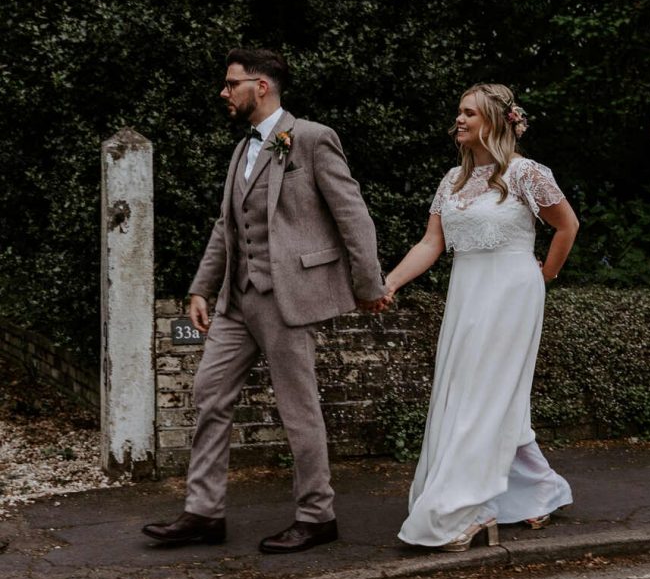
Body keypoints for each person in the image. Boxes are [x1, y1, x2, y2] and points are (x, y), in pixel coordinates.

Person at [143, 48, 385, 552]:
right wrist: (200, 287)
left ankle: (317, 516)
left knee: (298, 410)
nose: (223, 92)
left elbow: (354, 217)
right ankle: (204, 513)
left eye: (232, 84)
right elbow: (225, 226)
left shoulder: (314, 139)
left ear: (262, 86)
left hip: (288, 298)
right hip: (237, 301)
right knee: (209, 395)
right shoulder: (241, 150)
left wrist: (369, 287)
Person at [379, 83, 579, 551]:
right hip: (467, 293)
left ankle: (471, 508)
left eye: (469, 113)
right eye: (459, 113)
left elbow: (567, 225)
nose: (460, 120)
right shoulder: (451, 181)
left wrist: (544, 275)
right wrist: (390, 282)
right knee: (473, 393)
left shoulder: (526, 174)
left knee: (484, 396)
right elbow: (432, 244)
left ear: (493, 120)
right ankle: (539, 489)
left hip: (512, 292)